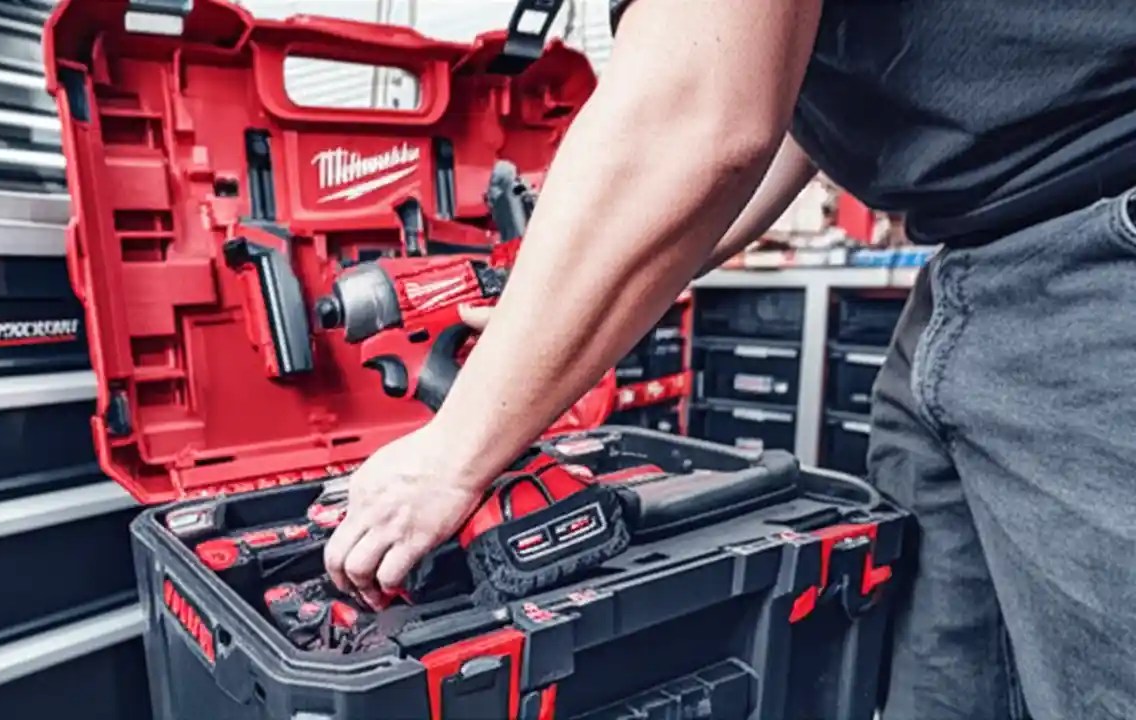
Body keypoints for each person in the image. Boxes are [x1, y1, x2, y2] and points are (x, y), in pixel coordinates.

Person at [324, 1, 1136, 718]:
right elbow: (775, 118)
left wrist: (453, 454)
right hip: (977, 265)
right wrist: (550, 298)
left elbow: (701, 117)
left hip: (1100, 260)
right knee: (941, 689)